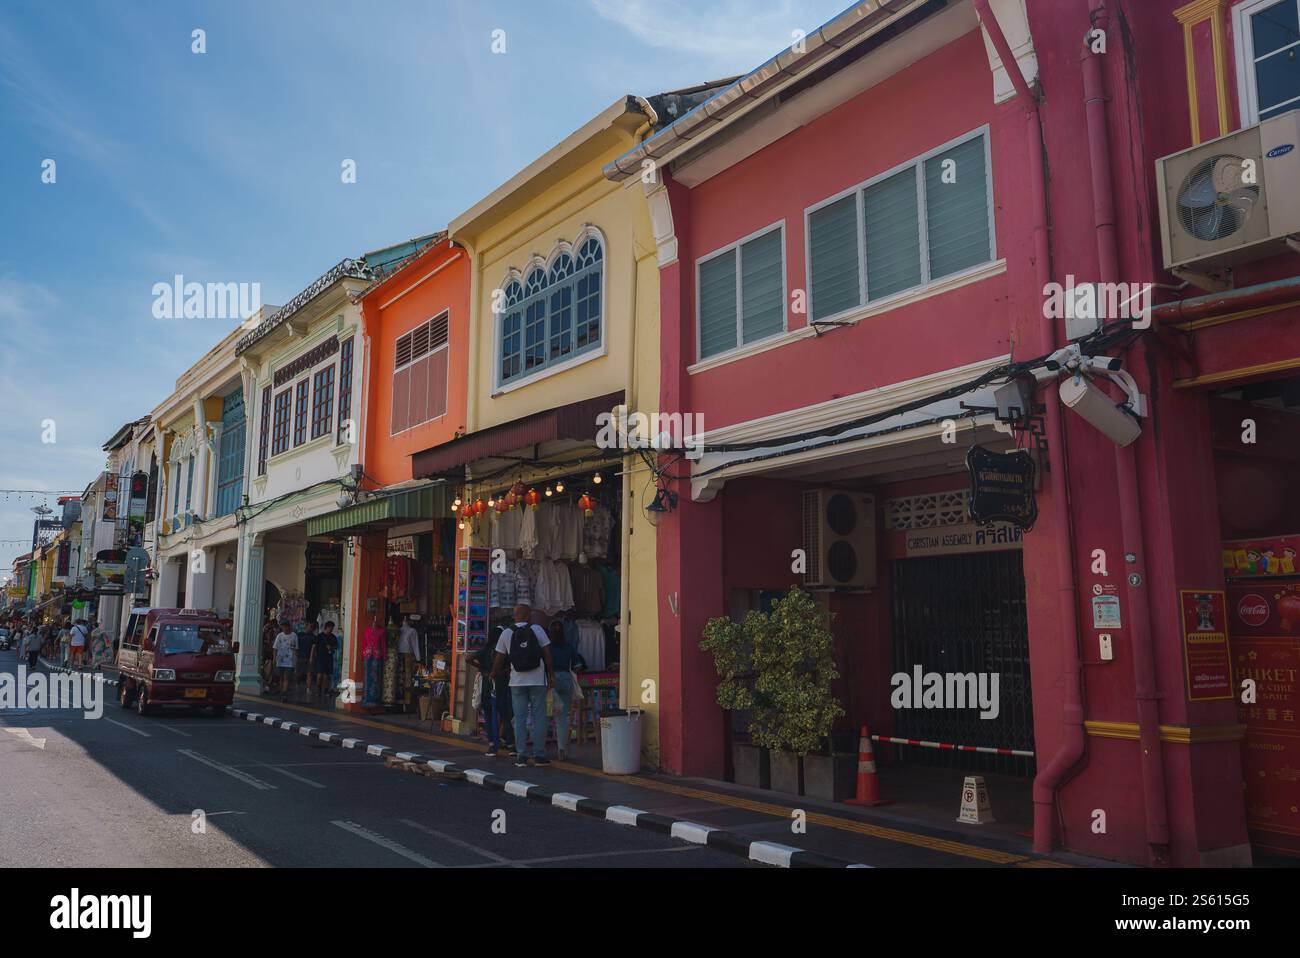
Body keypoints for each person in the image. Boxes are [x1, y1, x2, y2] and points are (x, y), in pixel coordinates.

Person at [491, 604, 555, 768]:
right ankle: (539, 755)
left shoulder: (507, 633)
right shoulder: (537, 630)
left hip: (517, 682)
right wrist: (551, 674)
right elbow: (547, 653)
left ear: (515, 615)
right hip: (537, 681)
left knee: (519, 719)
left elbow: (499, 657)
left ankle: (521, 755)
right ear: (529, 616)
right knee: (538, 717)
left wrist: (494, 672)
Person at [546, 619, 586, 762]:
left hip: (550, 681)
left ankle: (540, 749)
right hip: (566, 679)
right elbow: (578, 665)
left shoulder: (547, 647)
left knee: (545, 715)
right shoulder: (568, 647)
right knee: (562, 718)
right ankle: (561, 749)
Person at [309, 621, 339, 703]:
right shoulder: (320, 636)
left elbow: (336, 646)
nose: (331, 630)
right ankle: (318, 689)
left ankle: (325, 690)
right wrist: (311, 657)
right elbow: (314, 646)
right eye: (330, 628)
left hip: (329, 658)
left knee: (326, 675)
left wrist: (331, 647)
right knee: (319, 674)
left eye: (332, 628)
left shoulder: (333, 637)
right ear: (327, 627)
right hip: (320, 658)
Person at [362, 614, 387, 710]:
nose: (374, 621)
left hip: (377, 656)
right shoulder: (367, 631)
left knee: (376, 678)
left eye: (376, 620)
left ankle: (375, 700)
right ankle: (367, 699)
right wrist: (362, 654)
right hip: (368, 656)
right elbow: (364, 642)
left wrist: (385, 656)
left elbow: (383, 645)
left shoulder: (381, 632)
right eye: (373, 620)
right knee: (367, 677)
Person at [270, 620, 297, 704]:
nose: (284, 628)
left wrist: (296, 660)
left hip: (290, 661)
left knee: (287, 677)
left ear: (289, 626)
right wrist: (274, 658)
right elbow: (275, 648)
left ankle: (284, 694)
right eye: (283, 627)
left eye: (286, 626)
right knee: (281, 678)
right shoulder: (279, 636)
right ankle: (282, 691)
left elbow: (296, 649)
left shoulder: (294, 636)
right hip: (280, 660)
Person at [398, 616, 420, 711]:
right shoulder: (412, 631)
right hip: (407, 656)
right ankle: (407, 701)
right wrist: (418, 658)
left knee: (401, 678)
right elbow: (415, 645)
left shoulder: (400, 630)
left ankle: (401, 701)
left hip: (399, 655)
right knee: (407, 677)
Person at [296, 621, 318, 701]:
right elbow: (296, 646)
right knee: (299, 673)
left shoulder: (314, 637)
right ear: (306, 625)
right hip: (300, 657)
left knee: (309, 673)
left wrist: (311, 658)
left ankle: (308, 688)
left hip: (308, 657)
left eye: (312, 627)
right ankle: (297, 684)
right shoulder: (299, 635)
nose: (311, 628)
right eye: (310, 626)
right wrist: (296, 656)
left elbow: (313, 647)